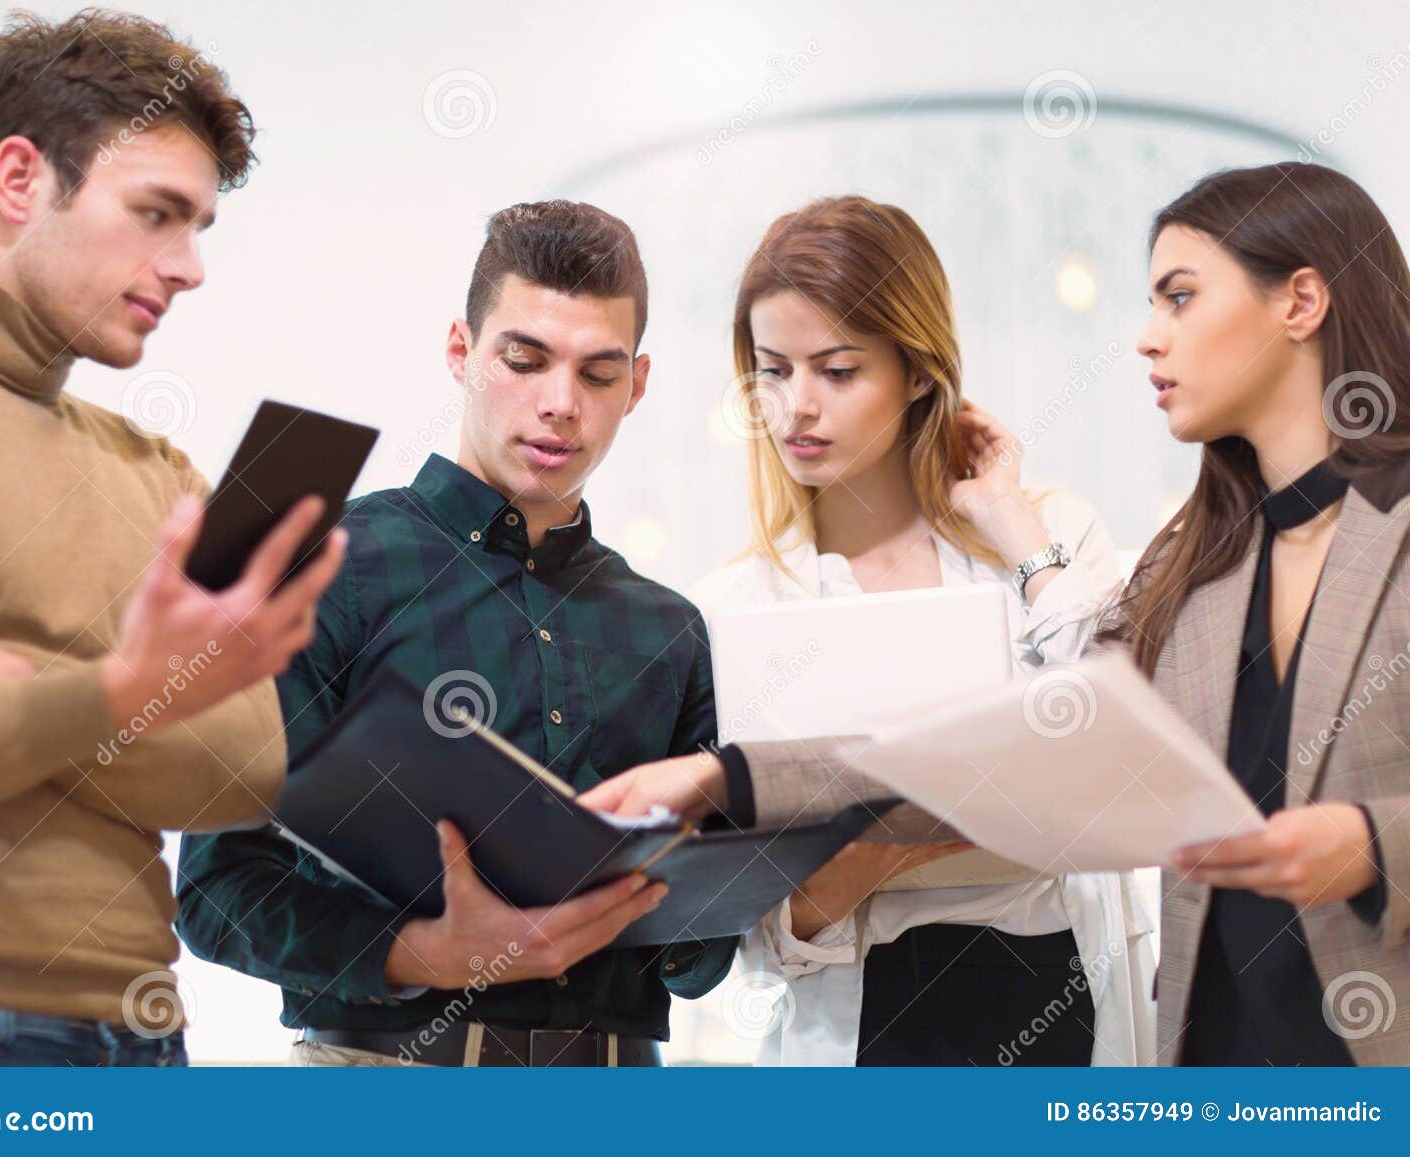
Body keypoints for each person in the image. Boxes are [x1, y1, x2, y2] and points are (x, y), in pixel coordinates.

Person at [585, 163, 1410, 1067]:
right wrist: (732, 786)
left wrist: (1370, 843)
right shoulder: (1205, 553)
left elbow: (1097, 742)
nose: (1144, 339)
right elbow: (1102, 733)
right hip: (1180, 1054)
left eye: (1178, 297)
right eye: (773, 372)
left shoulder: (1091, 538)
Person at [0, 11, 343, 1067]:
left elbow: (240, 771)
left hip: (146, 1041)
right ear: (19, 180)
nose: (188, 266)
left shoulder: (162, 476)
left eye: (197, 228)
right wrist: (117, 692)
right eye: (156, 214)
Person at [176, 200, 735, 1068]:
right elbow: (216, 889)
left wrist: (715, 884)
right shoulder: (325, 564)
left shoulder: (671, 627)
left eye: (598, 374)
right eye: (525, 359)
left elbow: (697, 966)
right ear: (460, 352)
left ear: (639, 383)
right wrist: (421, 953)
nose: (559, 405)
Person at [682, 196, 1154, 1066]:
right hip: (862, 1039)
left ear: (918, 371)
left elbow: (1131, 744)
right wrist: (884, 857)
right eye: (773, 370)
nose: (796, 408)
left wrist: (1011, 525)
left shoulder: (1053, 537)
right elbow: (750, 935)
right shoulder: (734, 605)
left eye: (837, 369)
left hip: (1064, 1008)